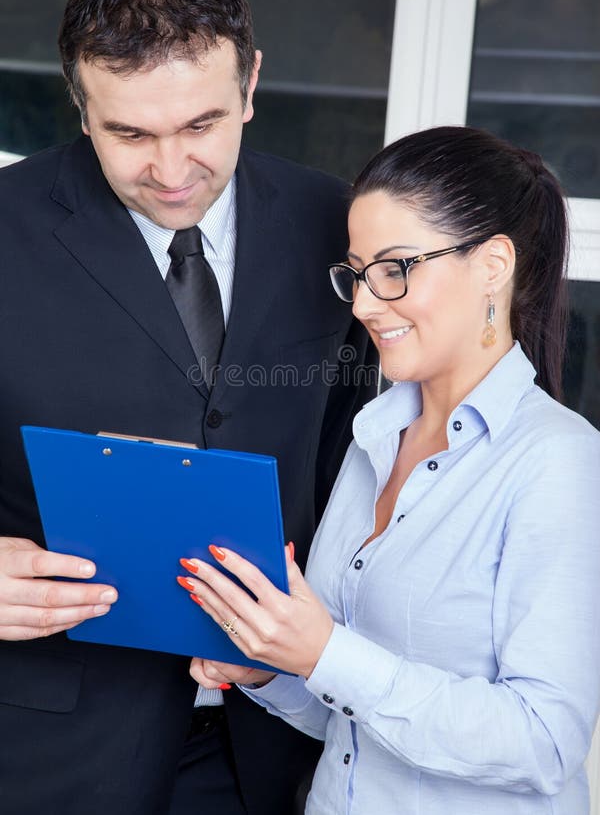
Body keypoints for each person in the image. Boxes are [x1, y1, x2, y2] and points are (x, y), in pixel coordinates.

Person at [0, 0, 375, 815]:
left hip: (269, 743)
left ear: (251, 83)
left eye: (201, 126)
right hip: (43, 749)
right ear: (79, 105)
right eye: (130, 133)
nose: (171, 172)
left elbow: (352, 462)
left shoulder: (338, 224)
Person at [183, 125, 600, 815]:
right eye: (356, 272)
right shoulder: (373, 439)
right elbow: (351, 725)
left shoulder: (557, 460)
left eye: (396, 268)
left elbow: (544, 743)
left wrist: (324, 653)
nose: (364, 303)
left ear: (493, 265)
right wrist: (269, 668)